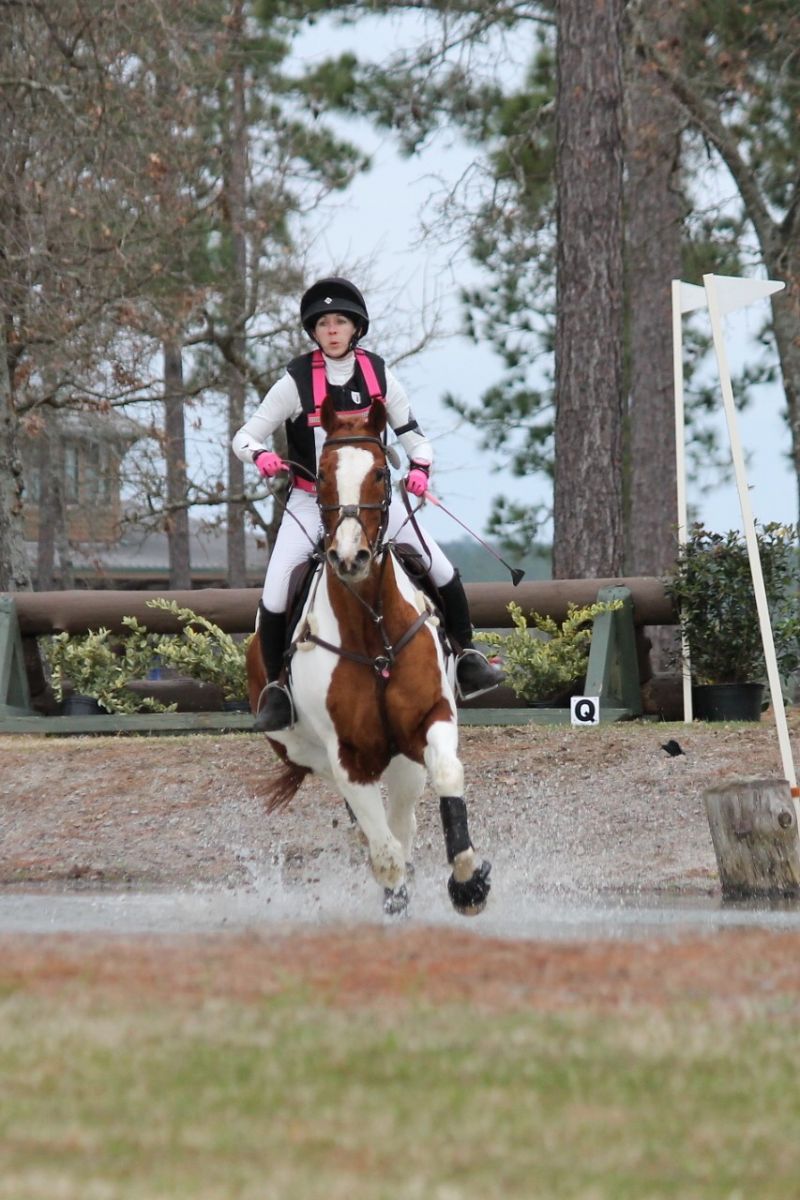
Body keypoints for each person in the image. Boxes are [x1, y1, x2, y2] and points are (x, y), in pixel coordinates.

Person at [232, 276, 503, 731]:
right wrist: (260, 456)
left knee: (440, 568)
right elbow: (245, 436)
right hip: (309, 504)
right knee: (277, 589)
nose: (332, 329)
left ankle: (466, 656)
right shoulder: (295, 381)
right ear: (314, 332)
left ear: (356, 328)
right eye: (322, 323)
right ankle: (278, 686)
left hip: (373, 503)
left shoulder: (379, 374)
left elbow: (415, 438)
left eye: (340, 322)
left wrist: (419, 469)